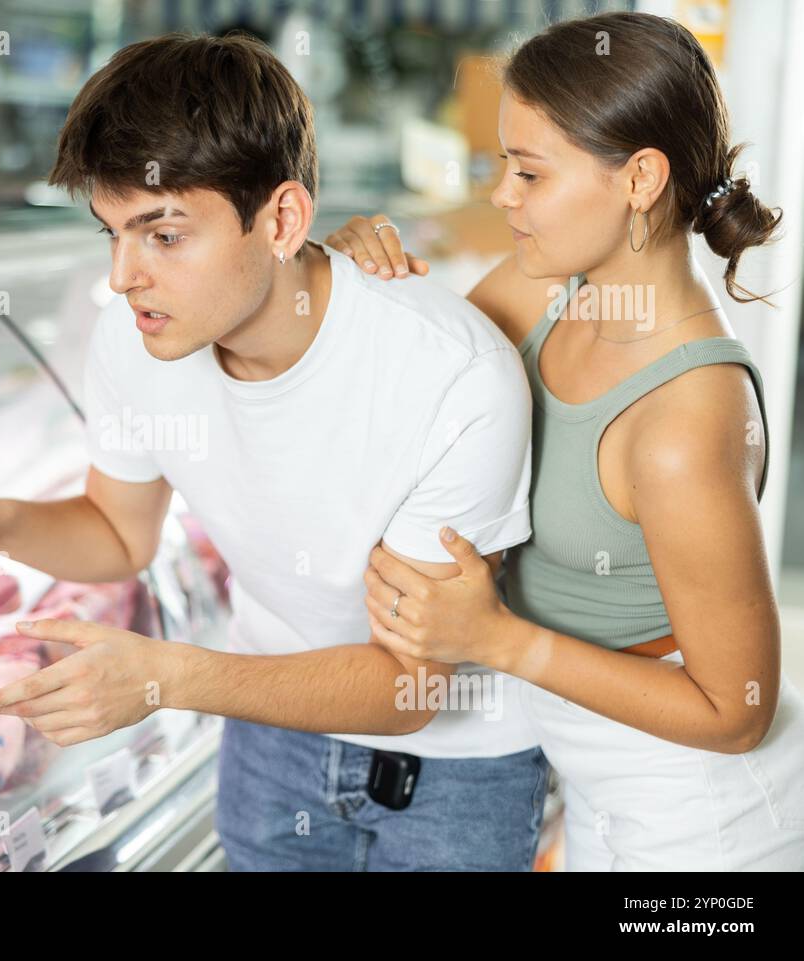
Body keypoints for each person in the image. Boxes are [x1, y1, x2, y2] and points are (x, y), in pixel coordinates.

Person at [0, 32, 548, 871]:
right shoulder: (132, 341)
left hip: (457, 774)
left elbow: (411, 687)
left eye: (163, 235)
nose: (123, 276)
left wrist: (166, 677)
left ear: (282, 218)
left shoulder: (453, 376)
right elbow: (118, 533)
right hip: (269, 741)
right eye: (112, 234)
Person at [326, 11, 804, 870]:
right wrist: (357, 284)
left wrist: (498, 638)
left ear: (640, 179)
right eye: (504, 165)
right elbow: (408, 397)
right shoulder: (550, 288)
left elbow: (738, 711)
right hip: (597, 790)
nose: (503, 193)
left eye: (529, 172)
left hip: (709, 826)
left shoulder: (684, 417)